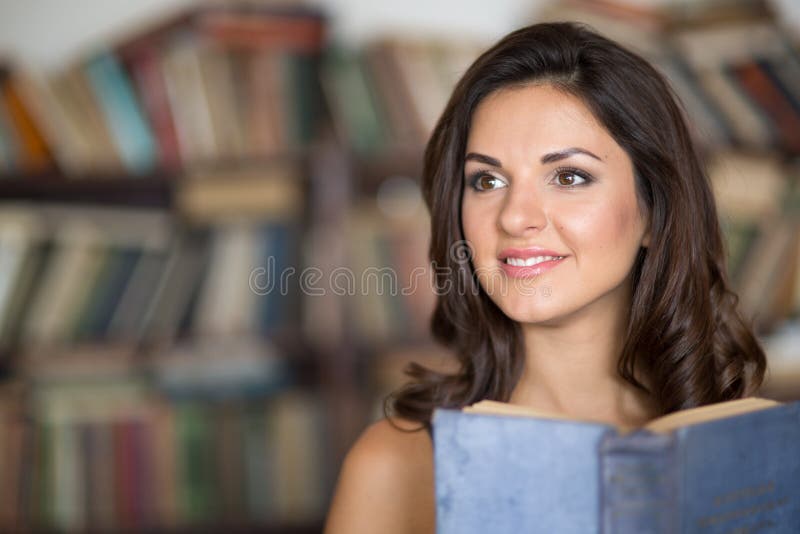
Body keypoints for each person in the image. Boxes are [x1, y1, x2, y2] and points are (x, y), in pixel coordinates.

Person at [323, 21, 766, 534]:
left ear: (652, 211)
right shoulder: (396, 465)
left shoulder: (753, 450)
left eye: (569, 176)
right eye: (487, 180)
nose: (515, 217)